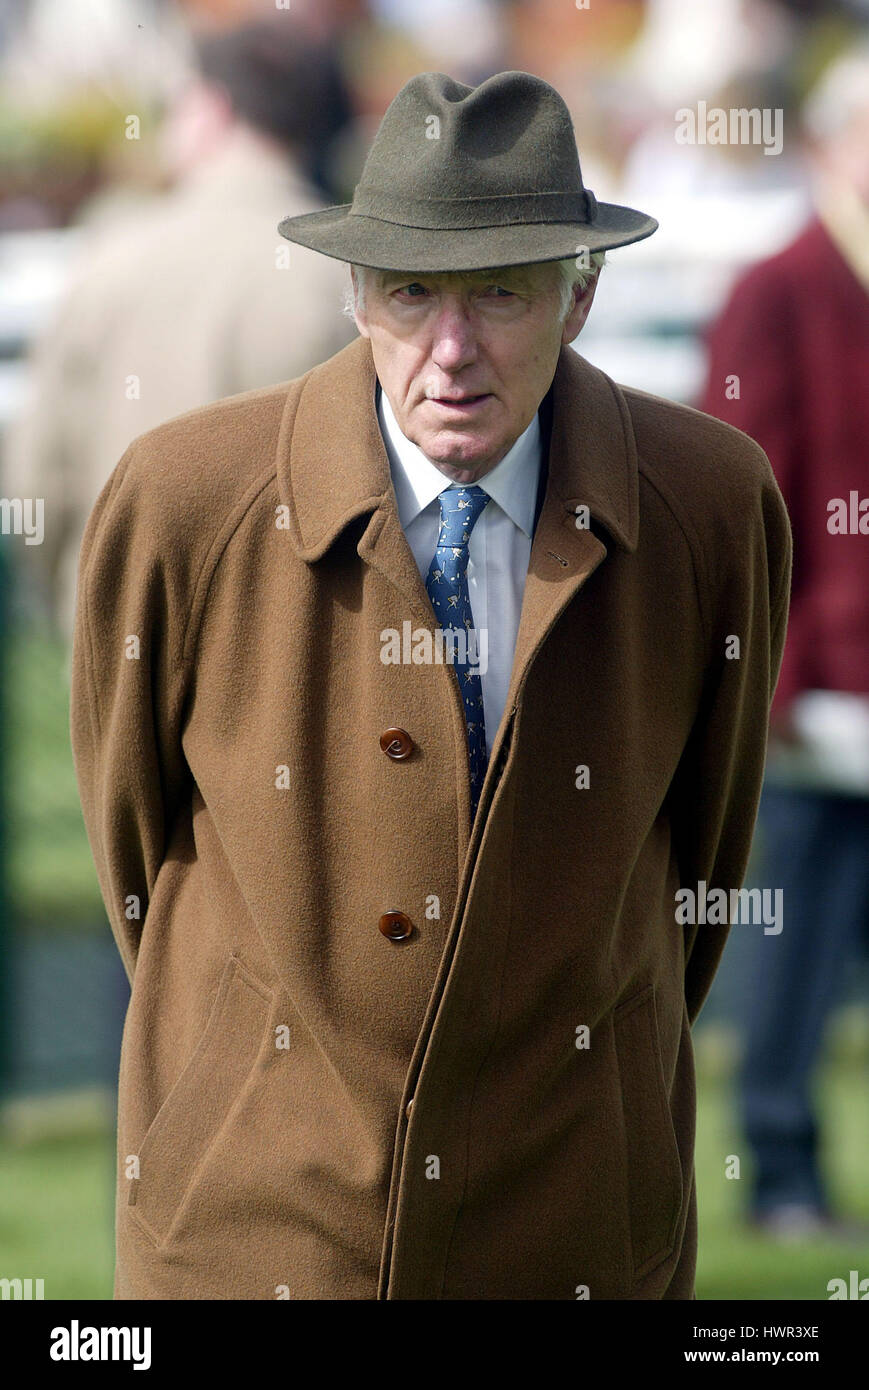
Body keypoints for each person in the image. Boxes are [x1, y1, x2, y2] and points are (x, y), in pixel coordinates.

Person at [70, 69, 791, 1300]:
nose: (449, 352)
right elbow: (128, 848)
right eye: (410, 292)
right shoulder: (185, 500)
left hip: (571, 1224)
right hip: (255, 1230)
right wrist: (243, 1067)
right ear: (356, 295)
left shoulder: (708, 506)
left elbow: (701, 862)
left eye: (500, 294)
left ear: (580, 295)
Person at [3, 18, 357, 640]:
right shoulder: (349, 279)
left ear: (212, 109)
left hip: (119, 636)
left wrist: (73, 602)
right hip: (292, 646)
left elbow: (39, 477)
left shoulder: (108, 255)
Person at [700, 48, 869, 1240]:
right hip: (824, 690)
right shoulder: (781, 287)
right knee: (795, 944)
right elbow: (740, 489)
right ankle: (782, 1170)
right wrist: (777, 669)